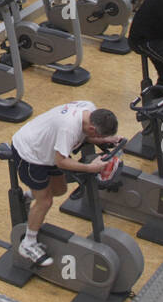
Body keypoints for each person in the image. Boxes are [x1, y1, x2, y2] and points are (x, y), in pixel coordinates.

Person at [9, 100, 121, 267]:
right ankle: (28, 243)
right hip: (30, 153)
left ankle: (28, 197)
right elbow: (61, 162)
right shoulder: (68, 128)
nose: (98, 138)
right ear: (92, 128)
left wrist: (106, 140)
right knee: (45, 201)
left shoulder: (89, 109)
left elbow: (86, 137)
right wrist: (90, 168)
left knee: (59, 189)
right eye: (99, 135)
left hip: (49, 148)